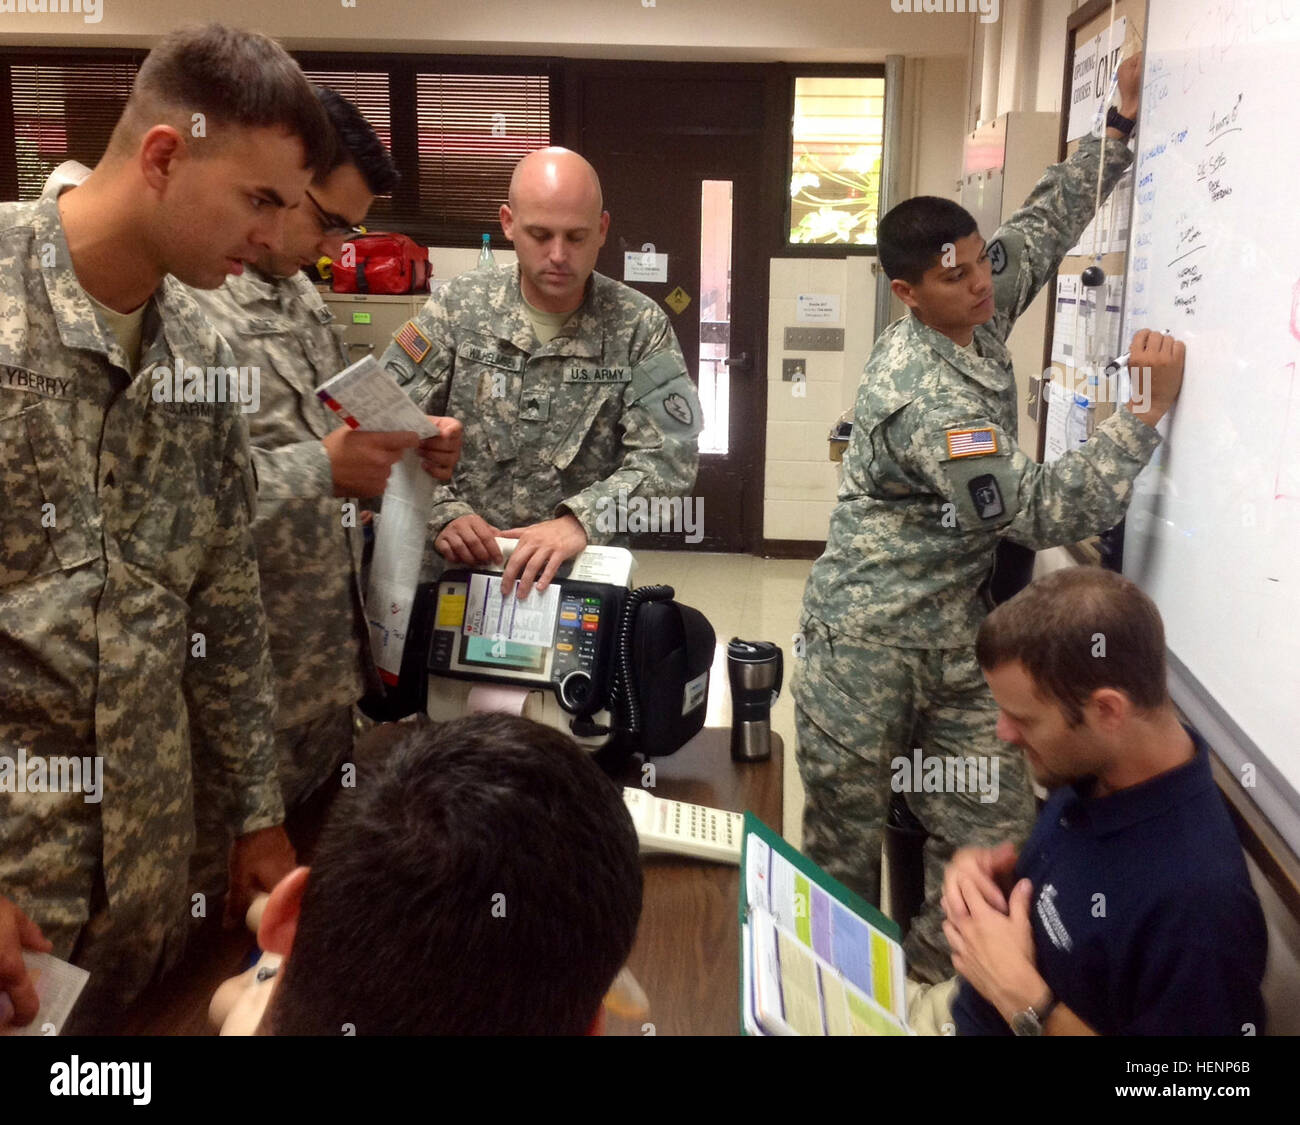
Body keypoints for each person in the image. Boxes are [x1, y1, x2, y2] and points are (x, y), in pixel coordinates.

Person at [792, 52, 1187, 983]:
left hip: (955, 638)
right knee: (843, 856)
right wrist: (1146, 412)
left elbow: (1041, 230)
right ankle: (831, 998)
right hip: (866, 649)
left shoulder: (968, 294)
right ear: (906, 295)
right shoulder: (928, 396)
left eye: (977, 265)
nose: (980, 285)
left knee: (987, 829)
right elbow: (1045, 508)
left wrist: (1121, 128)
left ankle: (942, 993)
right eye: (957, 278)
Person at [0, 23, 336, 1033]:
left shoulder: (201, 340)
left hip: (155, 890)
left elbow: (225, 600)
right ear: (162, 156)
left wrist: (256, 813)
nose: (274, 237)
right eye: (260, 199)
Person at [179, 88, 462, 898]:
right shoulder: (191, 295)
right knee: (217, 943)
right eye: (327, 219)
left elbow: (329, 411)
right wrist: (322, 468)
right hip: (234, 703)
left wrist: (405, 436)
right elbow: (169, 494)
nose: (332, 247)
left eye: (349, 229)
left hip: (322, 682)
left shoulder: (296, 289)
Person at [939, 566, 1267, 1035]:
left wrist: (1027, 1003)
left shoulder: (1199, 912)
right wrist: (990, 882)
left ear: (1108, 710)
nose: (1004, 733)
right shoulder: (1093, 773)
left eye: (1024, 719)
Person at [376, 146, 702, 598]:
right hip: (459, 575)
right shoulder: (457, 308)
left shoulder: (638, 326)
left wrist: (582, 522)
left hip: (577, 582)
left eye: (576, 236)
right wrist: (442, 513)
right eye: (540, 234)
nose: (558, 255)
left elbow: (672, 462)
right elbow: (378, 422)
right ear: (508, 222)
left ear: (603, 229)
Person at [210, 713, 643, 1035]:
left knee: (234, 995)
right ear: (591, 1029)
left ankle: (270, 917)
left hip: (283, 969)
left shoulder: (244, 1016)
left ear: (288, 915)